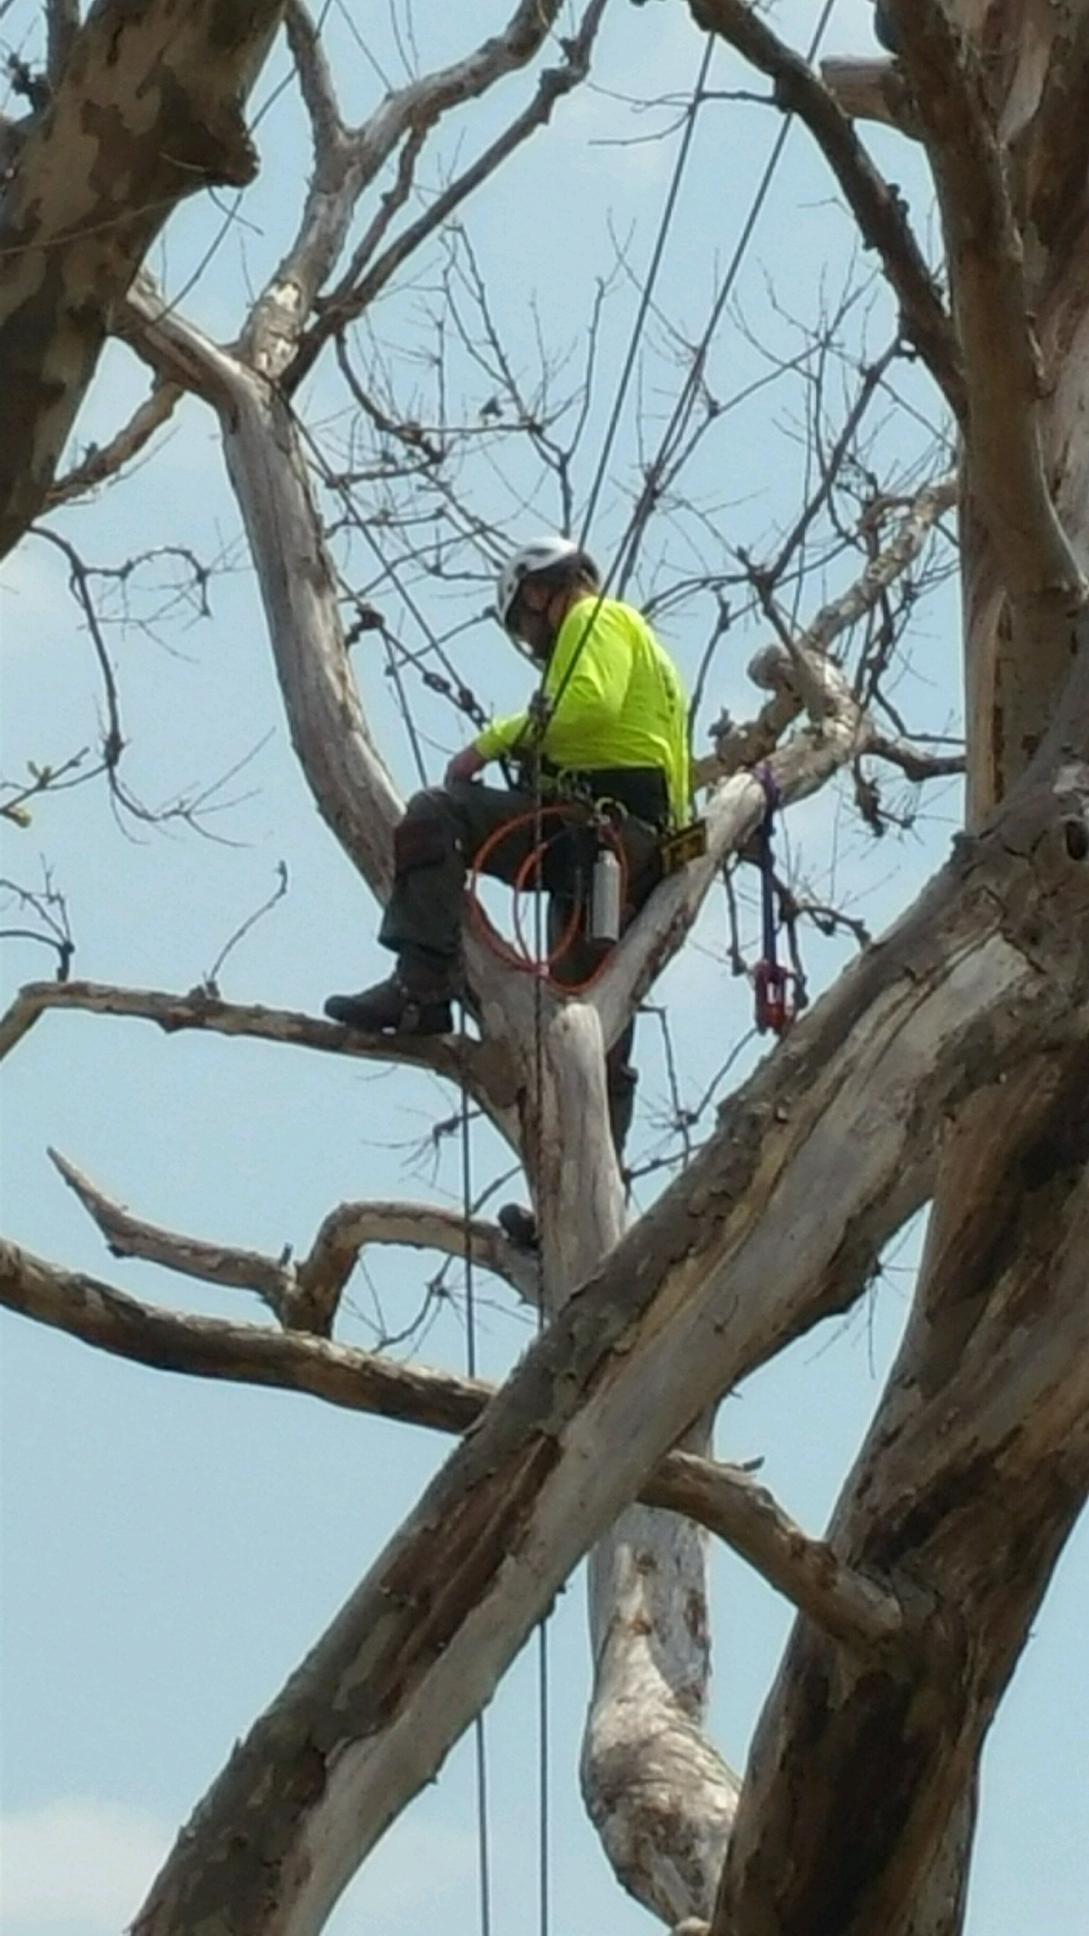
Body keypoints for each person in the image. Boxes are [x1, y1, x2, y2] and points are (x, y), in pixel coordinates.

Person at [324, 535, 691, 1158]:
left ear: (542, 591)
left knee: (437, 815)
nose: (530, 635)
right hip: (626, 851)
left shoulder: (593, 617)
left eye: (525, 617)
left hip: (594, 830)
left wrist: (491, 744)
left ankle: (421, 986)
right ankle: (591, 1185)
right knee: (589, 1027)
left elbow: (590, 708)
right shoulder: (643, 650)